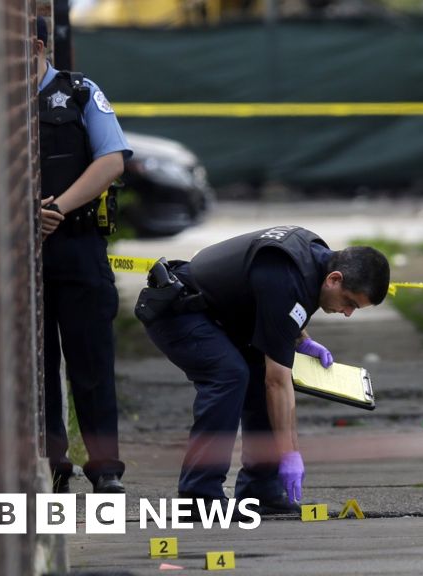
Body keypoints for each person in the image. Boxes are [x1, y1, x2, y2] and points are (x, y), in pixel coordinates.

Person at [138, 226, 390, 515]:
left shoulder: (314, 258)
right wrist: (290, 454)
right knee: (230, 375)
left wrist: (301, 339)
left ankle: (262, 490)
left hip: (213, 315)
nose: (347, 313)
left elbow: (274, 307)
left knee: (257, 371)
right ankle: (199, 497)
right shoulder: (287, 273)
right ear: (335, 279)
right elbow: (278, 382)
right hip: (177, 311)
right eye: (350, 303)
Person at [36, 15, 130, 494]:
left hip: (77, 246)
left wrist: (55, 208)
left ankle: (105, 469)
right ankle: (54, 466)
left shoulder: (78, 93)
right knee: (39, 369)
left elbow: (112, 159)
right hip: (24, 257)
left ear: (36, 46)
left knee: (91, 364)